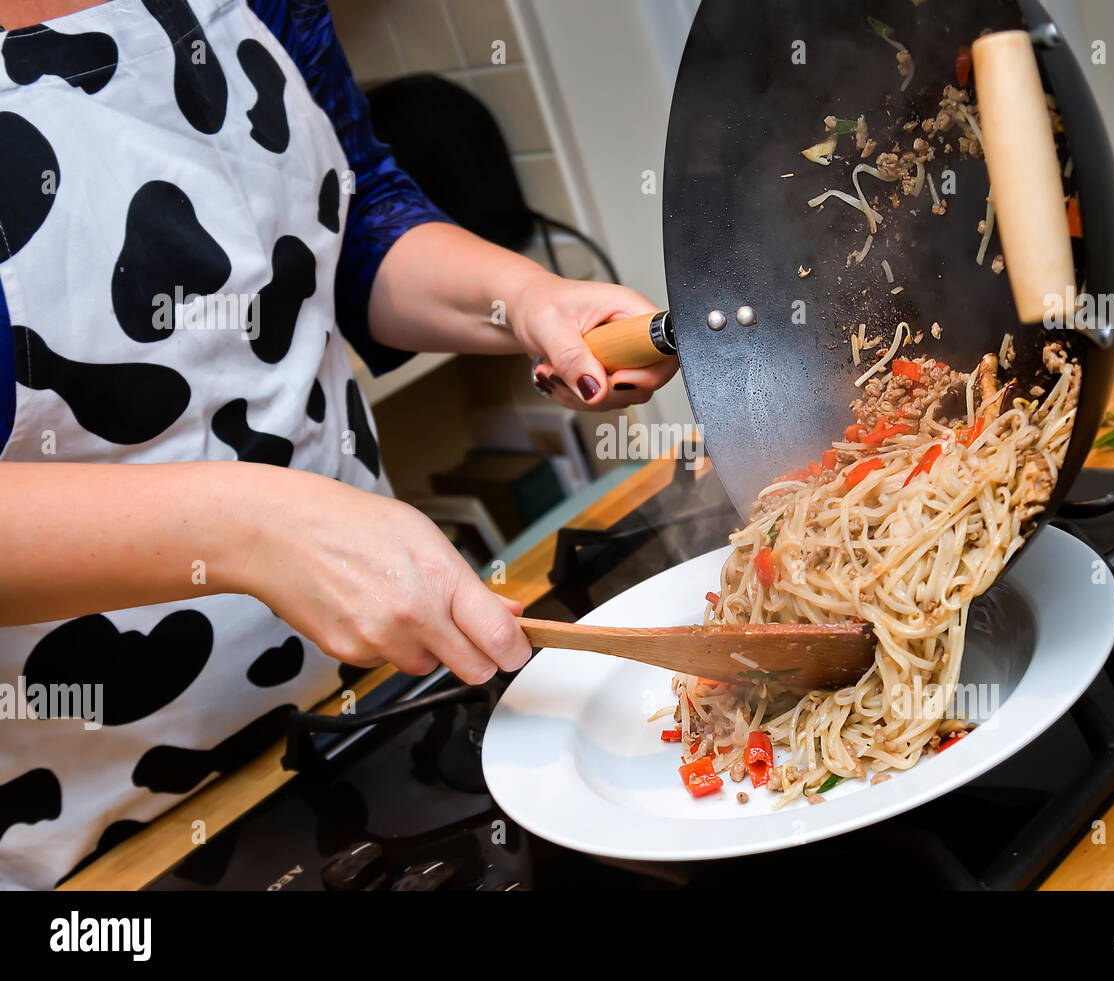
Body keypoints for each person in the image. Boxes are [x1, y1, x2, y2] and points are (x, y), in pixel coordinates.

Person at [0, 0, 677, 889]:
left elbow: (352, 215)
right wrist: (255, 530)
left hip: (365, 701)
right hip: (94, 832)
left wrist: (524, 297)